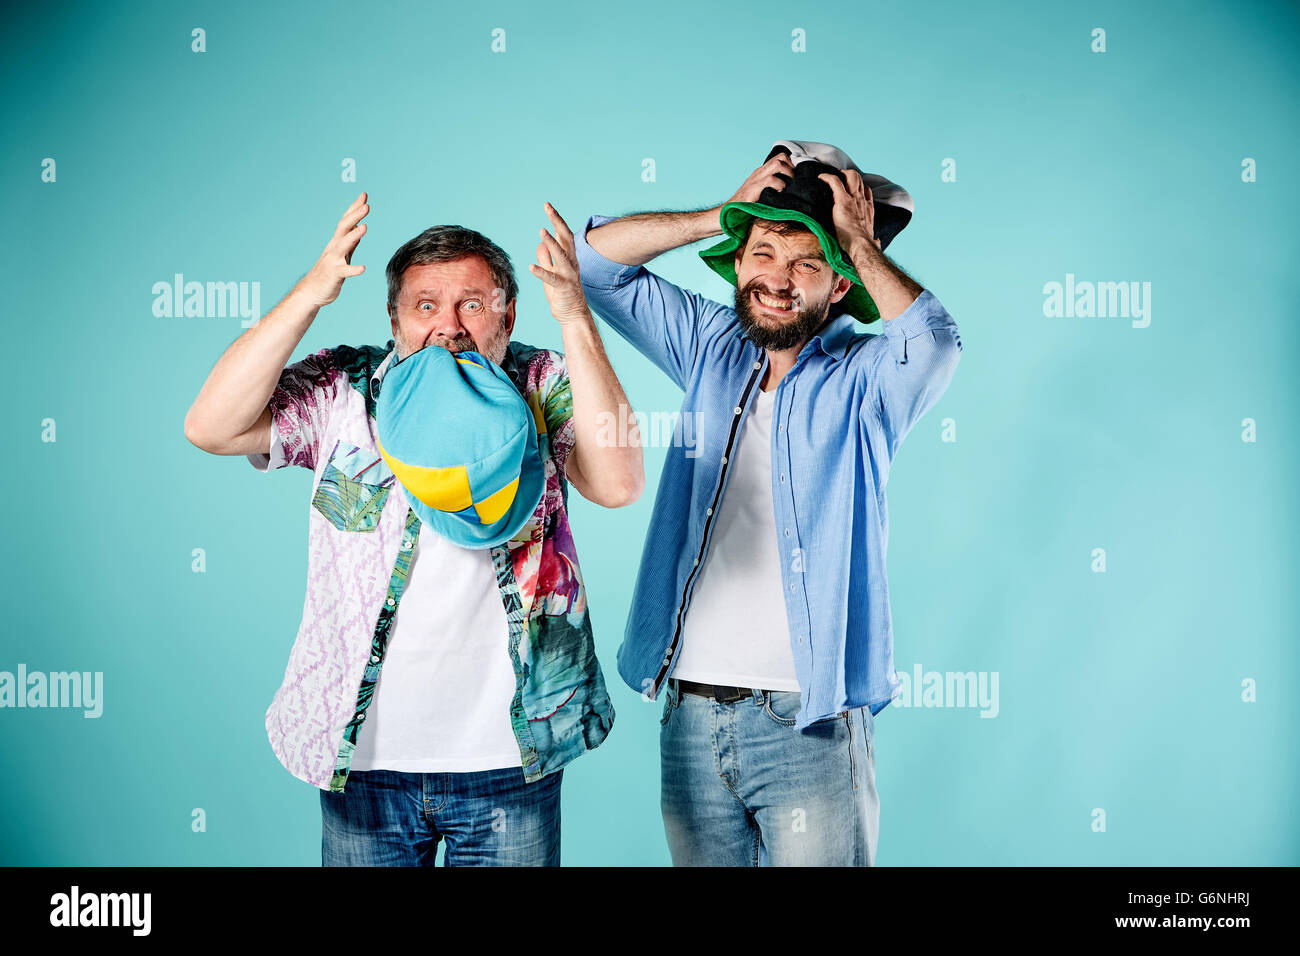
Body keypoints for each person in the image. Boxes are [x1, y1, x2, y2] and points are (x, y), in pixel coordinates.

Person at [184, 193, 643, 866]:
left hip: (512, 757)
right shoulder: (345, 390)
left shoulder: (541, 383)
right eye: (425, 306)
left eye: (473, 304)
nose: (448, 326)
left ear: (508, 316)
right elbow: (210, 426)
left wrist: (575, 314)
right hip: (363, 756)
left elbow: (620, 483)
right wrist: (309, 295)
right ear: (395, 318)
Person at [572, 140, 963, 866]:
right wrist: (713, 215)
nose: (776, 279)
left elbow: (934, 343)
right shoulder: (712, 346)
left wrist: (855, 241)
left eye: (806, 261)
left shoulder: (868, 378)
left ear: (840, 282)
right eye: (761, 252)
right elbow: (593, 263)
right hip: (690, 716)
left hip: (806, 726)